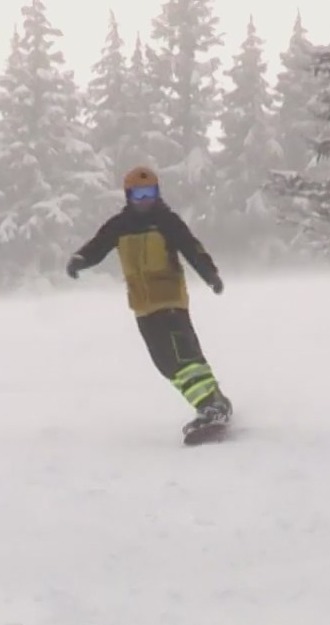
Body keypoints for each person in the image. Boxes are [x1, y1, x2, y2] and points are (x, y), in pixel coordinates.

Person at [65, 165, 232, 435]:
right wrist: (80, 260)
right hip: (142, 307)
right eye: (139, 194)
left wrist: (210, 275)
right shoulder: (120, 225)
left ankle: (211, 405)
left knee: (184, 355)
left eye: (149, 193)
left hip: (170, 303)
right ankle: (214, 400)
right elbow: (97, 246)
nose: (145, 200)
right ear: (129, 195)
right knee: (165, 362)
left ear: (157, 193)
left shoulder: (166, 221)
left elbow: (192, 248)